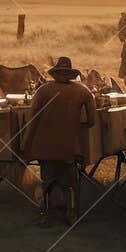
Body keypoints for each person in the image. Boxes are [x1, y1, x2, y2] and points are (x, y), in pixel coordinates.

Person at [25, 57, 96, 221]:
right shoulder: (83, 91)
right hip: (69, 148)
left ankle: (46, 213)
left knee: (47, 180)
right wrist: (76, 126)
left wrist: (27, 145)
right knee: (70, 182)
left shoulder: (43, 90)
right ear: (70, 74)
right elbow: (91, 121)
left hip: (45, 147)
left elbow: (32, 119)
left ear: (55, 74)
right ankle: (72, 212)